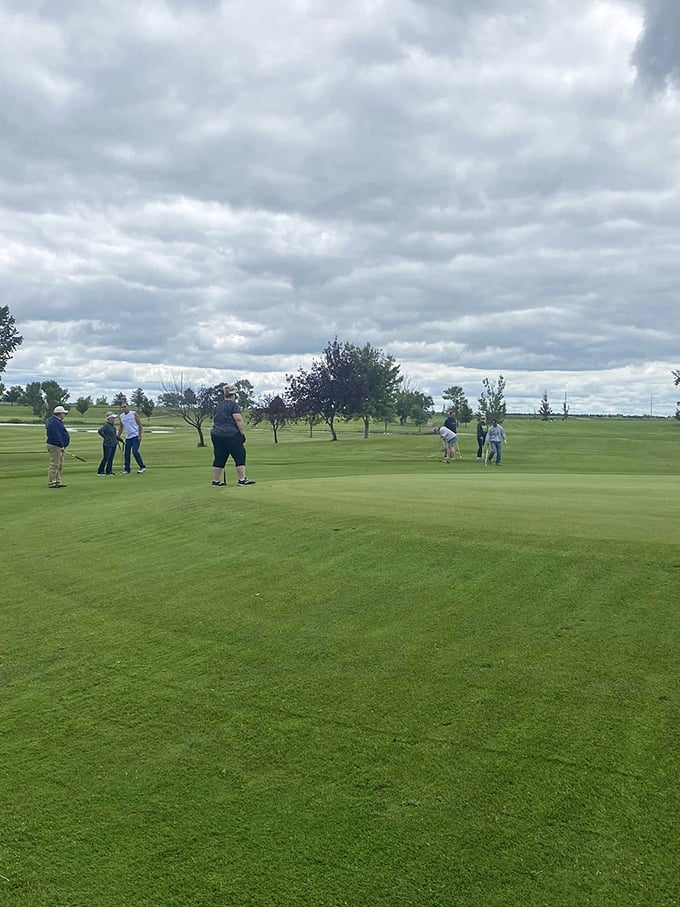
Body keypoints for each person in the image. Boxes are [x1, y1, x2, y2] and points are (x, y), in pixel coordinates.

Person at [210, 384, 256, 486]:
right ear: (233, 395)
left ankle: (216, 480)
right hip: (231, 434)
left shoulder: (218, 405)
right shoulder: (233, 405)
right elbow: (238, 420)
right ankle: (242, 479)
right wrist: (242, 434)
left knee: (219, 457)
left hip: (216, 434)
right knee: (239, 455)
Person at [117, 401, 146, 474]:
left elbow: (139, 425)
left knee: (135, 451)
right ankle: (127, 469)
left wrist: (140, 435)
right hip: (128, 437)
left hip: (135, 435)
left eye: (125, 406)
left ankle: (142, 466)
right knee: (126, 453)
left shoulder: (133, 414)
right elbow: (121, 427)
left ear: (128, 407)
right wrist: (118, 436)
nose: (123, 408)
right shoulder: (121, 416)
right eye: (122, 407)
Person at [45, 405, 70, 488]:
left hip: (57, 445)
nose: (64, 415)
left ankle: (58, 481)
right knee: (55, 464)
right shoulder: (54, 422)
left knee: (59, 464)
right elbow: (56, 435)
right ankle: (52, 482)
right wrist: (61, 445)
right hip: (55, 445)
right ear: (59, 414)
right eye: (63, 413)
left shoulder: (56, 421)